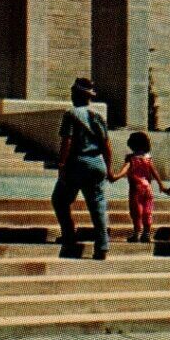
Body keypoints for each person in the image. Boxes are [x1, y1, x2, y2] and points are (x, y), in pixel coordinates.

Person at [52, 77, 115, 261]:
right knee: (98, 206)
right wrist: (109, 168)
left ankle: (69, 235)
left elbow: (67, 141)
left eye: (73, 92)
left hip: (77, 163)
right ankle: (102, 247)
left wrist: (61, 164)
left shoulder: (71, 114)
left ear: (77, 94)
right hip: (97, 164)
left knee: (60, 200)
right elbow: (106, 145)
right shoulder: (98, 115)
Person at [111, 131, 166, 243]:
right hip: (148, 188)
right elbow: (154, 172)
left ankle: (137, 234)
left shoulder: (131, 158)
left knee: (136, 211)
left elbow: (125, 170)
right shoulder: (148, 158)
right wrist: (161, 184)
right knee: (147, 210)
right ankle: (146, 234)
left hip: (136, 188)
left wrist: (116, 176)